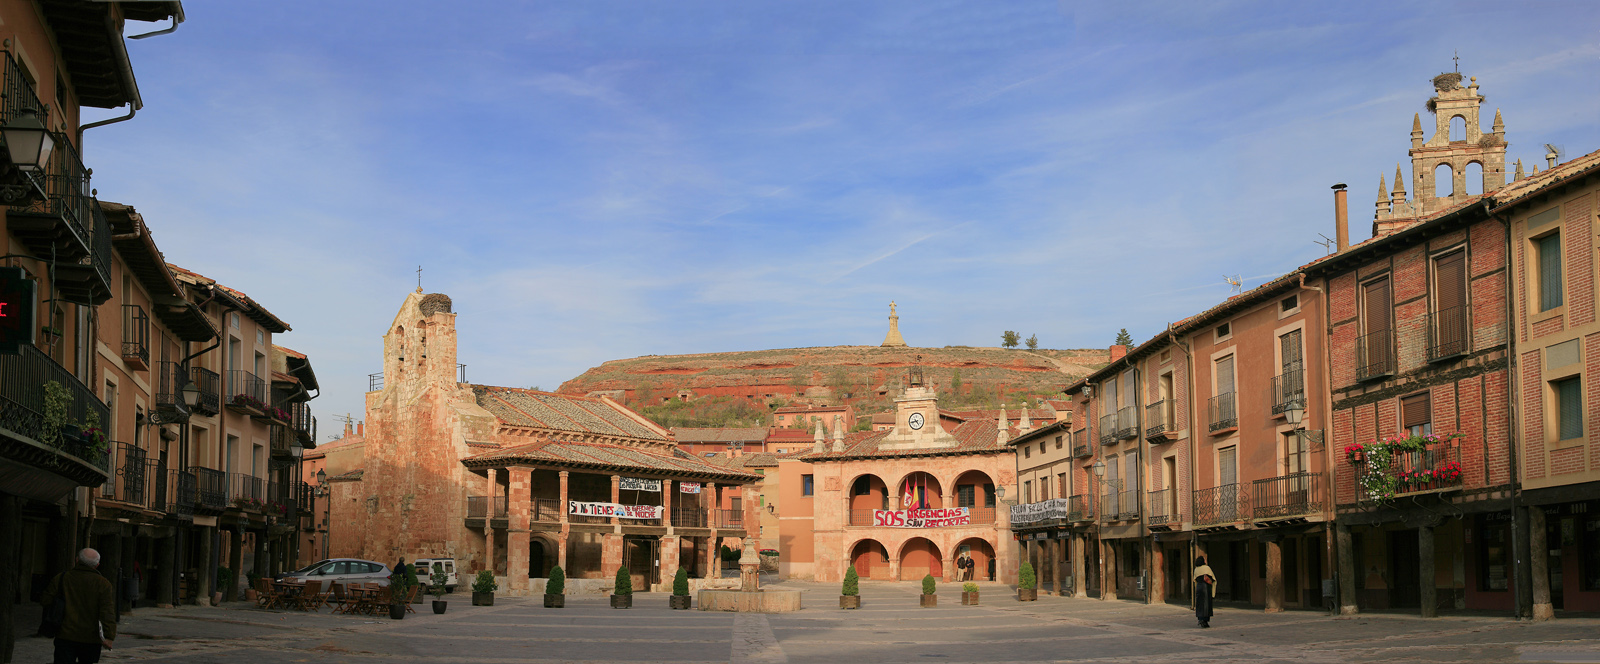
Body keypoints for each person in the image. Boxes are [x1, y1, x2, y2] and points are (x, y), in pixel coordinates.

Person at [42, 548, 117, 663]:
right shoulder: (103, 584)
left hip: (65, 634)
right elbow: (107, 612)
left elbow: (46, 600)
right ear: (97, 565)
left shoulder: (62, 578)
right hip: (91, 638)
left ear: (77, 560)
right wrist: (109, 636)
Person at [1193, 556, 1216, 629]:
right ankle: (1205, 620)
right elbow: (1212, 578)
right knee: (1206, 604)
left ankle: (1200, 618)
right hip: (1205, 587)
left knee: (1199, 603)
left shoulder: (1196, 569)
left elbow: (1195, 579)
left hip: (1199, 586)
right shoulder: (1206, 568)